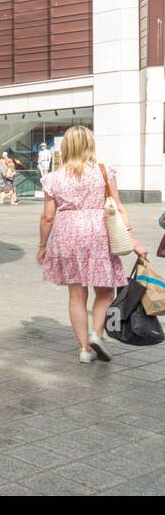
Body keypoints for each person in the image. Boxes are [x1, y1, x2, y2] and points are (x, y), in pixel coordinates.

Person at [37, 125, 149, 363]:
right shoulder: (103, 171)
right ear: (90, 144)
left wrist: (43, 246)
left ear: (65, 147)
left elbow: (48, 217)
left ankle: (84, 350)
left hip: (67, 235)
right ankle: (97, 333)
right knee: (105, 290)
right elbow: (118, 207)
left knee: (76, 294)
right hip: (98, 233)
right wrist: (133, 241)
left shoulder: (53, 178)